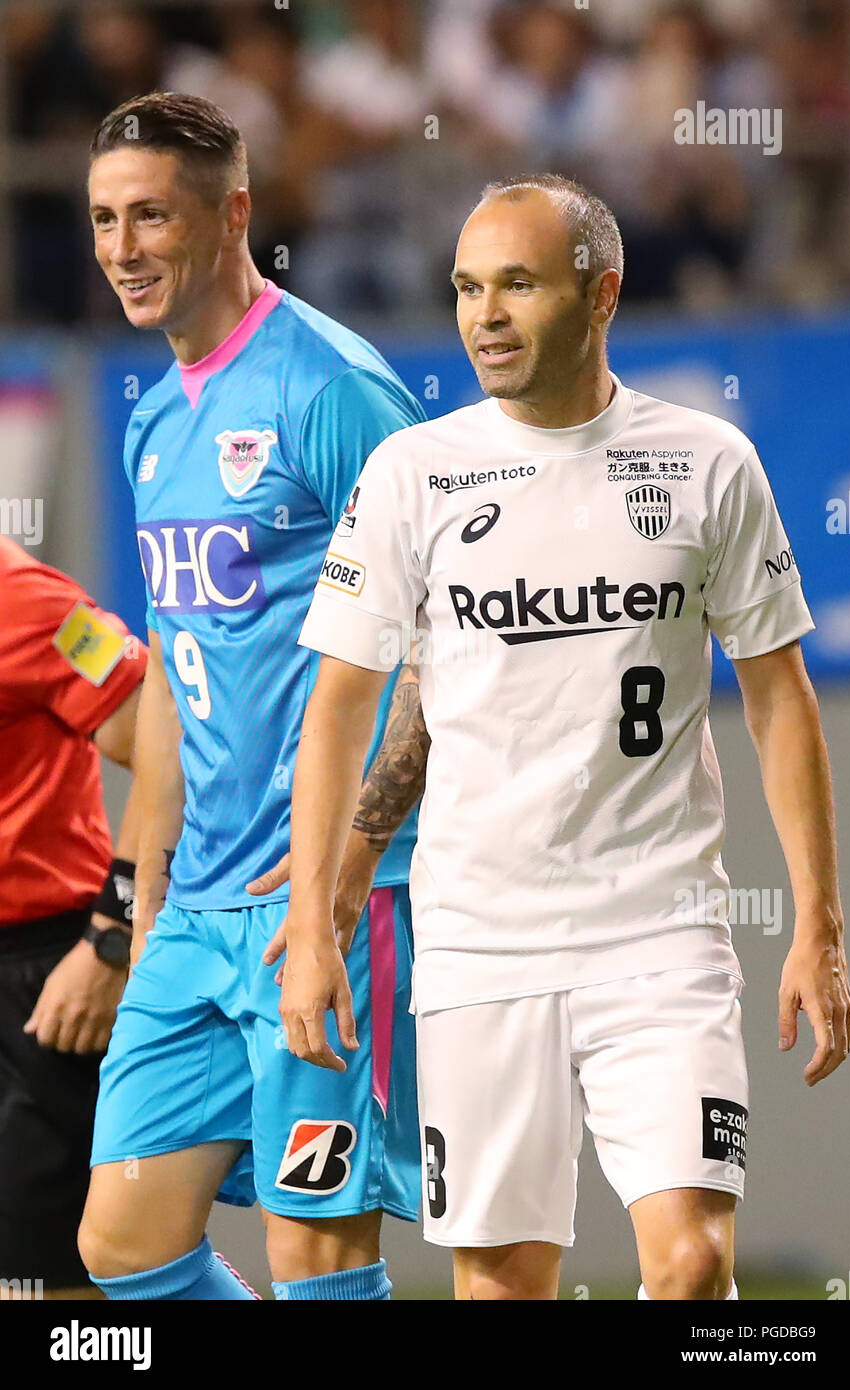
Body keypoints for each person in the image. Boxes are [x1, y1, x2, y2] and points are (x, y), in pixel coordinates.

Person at [278, 173, 850, 1300]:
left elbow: (779, 695)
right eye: (466, 287)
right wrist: (314, 914)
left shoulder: (705, 461)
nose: (483, 314)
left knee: (690, 1264)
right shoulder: (415, 473)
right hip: (478, 944)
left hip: (661, 932)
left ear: (600, 294)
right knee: (502, 1284)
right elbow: (345, 705)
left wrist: (816, 928)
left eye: (517, 285)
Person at [77, 91, 426, 1302]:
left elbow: (435, 645)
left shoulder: (334, 390)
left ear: (232, 216)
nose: (123, 248)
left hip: (324, 902)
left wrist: (347, 865)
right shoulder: (150, 423)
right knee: (123, 1245)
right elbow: (175, 664)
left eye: (151, 217)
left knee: (315, 1257)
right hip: (197, 908)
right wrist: (144, 877)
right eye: (106, 219)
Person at [0, 536, 145, 1299]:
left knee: (45, 1290)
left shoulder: (25, 600)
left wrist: (112, 934)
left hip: (37, 991)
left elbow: (166, 737)